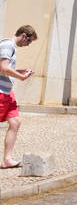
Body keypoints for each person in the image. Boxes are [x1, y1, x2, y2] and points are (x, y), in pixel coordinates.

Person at [0, 26, 37, 169]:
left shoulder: (10, 47)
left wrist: (20, 71)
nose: (28, 45)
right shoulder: (7, 45)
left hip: (8, 92)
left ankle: (7, 159)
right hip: (1, 91)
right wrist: (21, 77)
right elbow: (4, 68)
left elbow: (3, 69)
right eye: (29, 42)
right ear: (23, 35)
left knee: (15, 122)